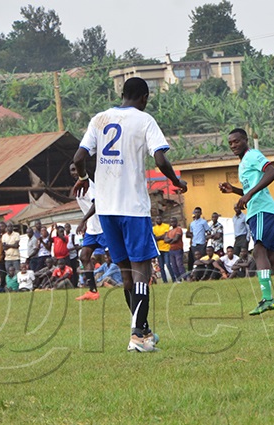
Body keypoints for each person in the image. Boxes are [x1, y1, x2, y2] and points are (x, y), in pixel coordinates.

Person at [73, 76, 188, 352]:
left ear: (122, 94)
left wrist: (84, 179)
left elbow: (79, 158)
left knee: (126, 274)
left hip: (107, 208)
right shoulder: (144, 120)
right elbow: (160, 158)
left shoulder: (99, 119)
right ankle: (137, 336)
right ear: (145, 97)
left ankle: (143, 330)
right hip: (133, 209)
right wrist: (175, 181)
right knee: (141, 273)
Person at [218, 127, 274, 316]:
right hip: (257, 211)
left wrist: (249, 194)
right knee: (273, 257)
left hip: (261, 210)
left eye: (236, 141)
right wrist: (235, 190)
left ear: (245, 140)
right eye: (230, 143)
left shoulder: (253, 155)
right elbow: (252, 190)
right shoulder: (242, 164)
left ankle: (267, 298)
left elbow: (272, 172)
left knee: (258, 250)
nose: (233, 145)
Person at [69, 162, 107, 301]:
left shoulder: (88, 185)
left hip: (103, 226)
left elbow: (97, 204)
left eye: (76, 169)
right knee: (84, 256)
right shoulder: (78, 186)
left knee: (116, 258)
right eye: (72, 170)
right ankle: (93, 291)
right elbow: (87, 207)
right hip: (92, 228)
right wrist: (87, 223)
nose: (74, 172)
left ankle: (143, 277)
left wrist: (83, 220)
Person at [185, 207, 210, 272]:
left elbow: (208, 231)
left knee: (202, 259)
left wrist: (206, 241)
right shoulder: (192, 223)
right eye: (195, 212)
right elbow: (191, 233)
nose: (197, 214)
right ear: (194, 213)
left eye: (198, 212)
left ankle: (204, 272)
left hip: (202, 243)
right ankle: (196, 273)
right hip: (194, 244)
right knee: (195, 259)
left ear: (201, 213)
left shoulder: (203, 222)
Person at [152, 214, 172, 282]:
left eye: (159, 219)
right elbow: (154, 238)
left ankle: (174, 278)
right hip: (159, 249)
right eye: (157, 219)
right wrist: (161, 237)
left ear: (162, 219)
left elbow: (166, 235)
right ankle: (165, 281)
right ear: (155, 220)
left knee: (168, 264)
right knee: (161, 266)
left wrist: (159, 237)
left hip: (166, 248)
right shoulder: (154, 228)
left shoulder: (166, 226)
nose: (158, 220)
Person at [164, 217, 185, 281]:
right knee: (174, 265)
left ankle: (185, 278)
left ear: (176, 222)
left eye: (174, 222)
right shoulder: (169, 231)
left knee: (179, 264)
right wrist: (171, 240)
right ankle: (178, 279)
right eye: (171, 222)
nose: (173, 223)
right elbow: (165, 240)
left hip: (178, 249)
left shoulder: (178, 229)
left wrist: (169, 241)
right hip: (171, 250)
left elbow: (176, 239)